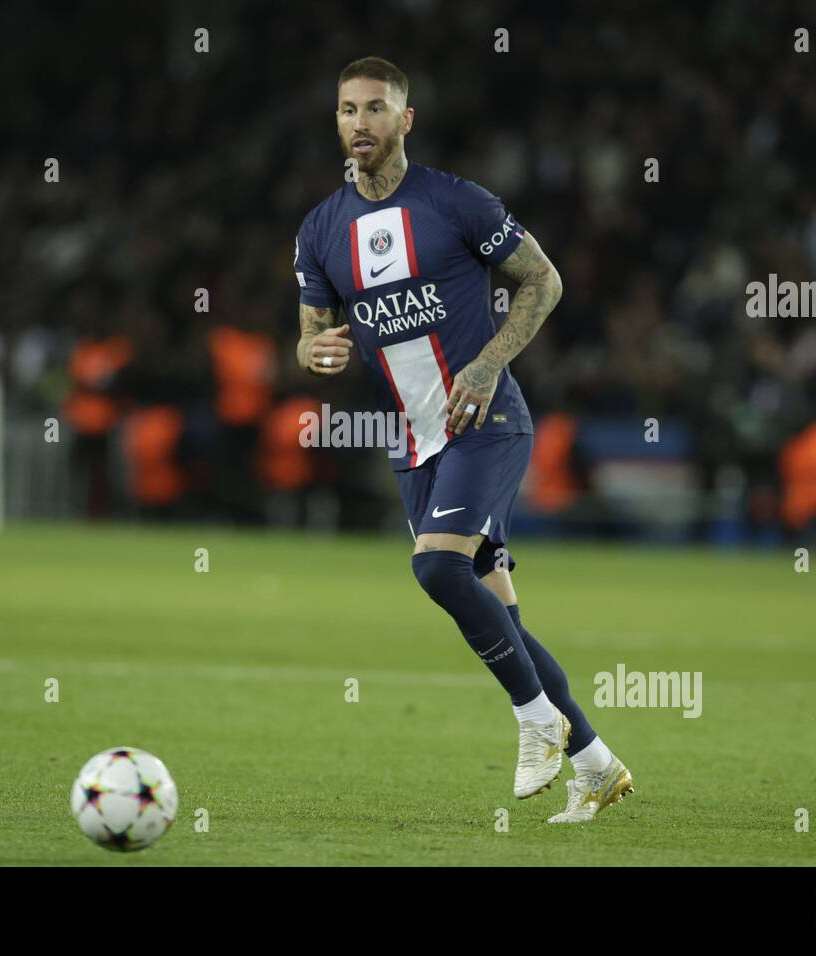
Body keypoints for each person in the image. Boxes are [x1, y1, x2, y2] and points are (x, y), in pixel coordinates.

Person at [294, 57, 632, 824]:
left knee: (436, 569)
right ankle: (595, 763)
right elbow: (310, 336)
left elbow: (542, 280)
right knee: (499, 613)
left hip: (486, 423)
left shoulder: (456, 202)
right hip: (412, 445)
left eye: (376, 109)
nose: (360, 124)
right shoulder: (320, 229)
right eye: (348, 110)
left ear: (405, 120)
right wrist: (314, 355)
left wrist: (484, 366)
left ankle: (536, 719)